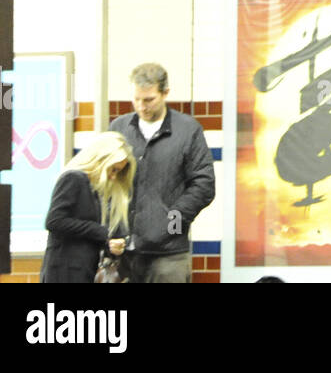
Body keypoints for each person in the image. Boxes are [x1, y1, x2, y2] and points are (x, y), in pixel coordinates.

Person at [108, 62, 215, 283]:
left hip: (169, 254)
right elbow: (104, 182)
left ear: (165, 93)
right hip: (124, 253)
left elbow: (204, 185)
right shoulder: (119, 128)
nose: (141, 106)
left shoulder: (188, 130)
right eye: (136, 99)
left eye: (148, 100)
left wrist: (171, 224)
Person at [41, 131, 136, 283]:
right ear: (99, 160)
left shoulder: (96, 187)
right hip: (64, 271)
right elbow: (54, 221)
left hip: (84, 269)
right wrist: (101, 232)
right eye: (113, 169)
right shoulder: (73, 178)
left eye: (118, 171)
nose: (113, 176)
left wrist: (110, 243)